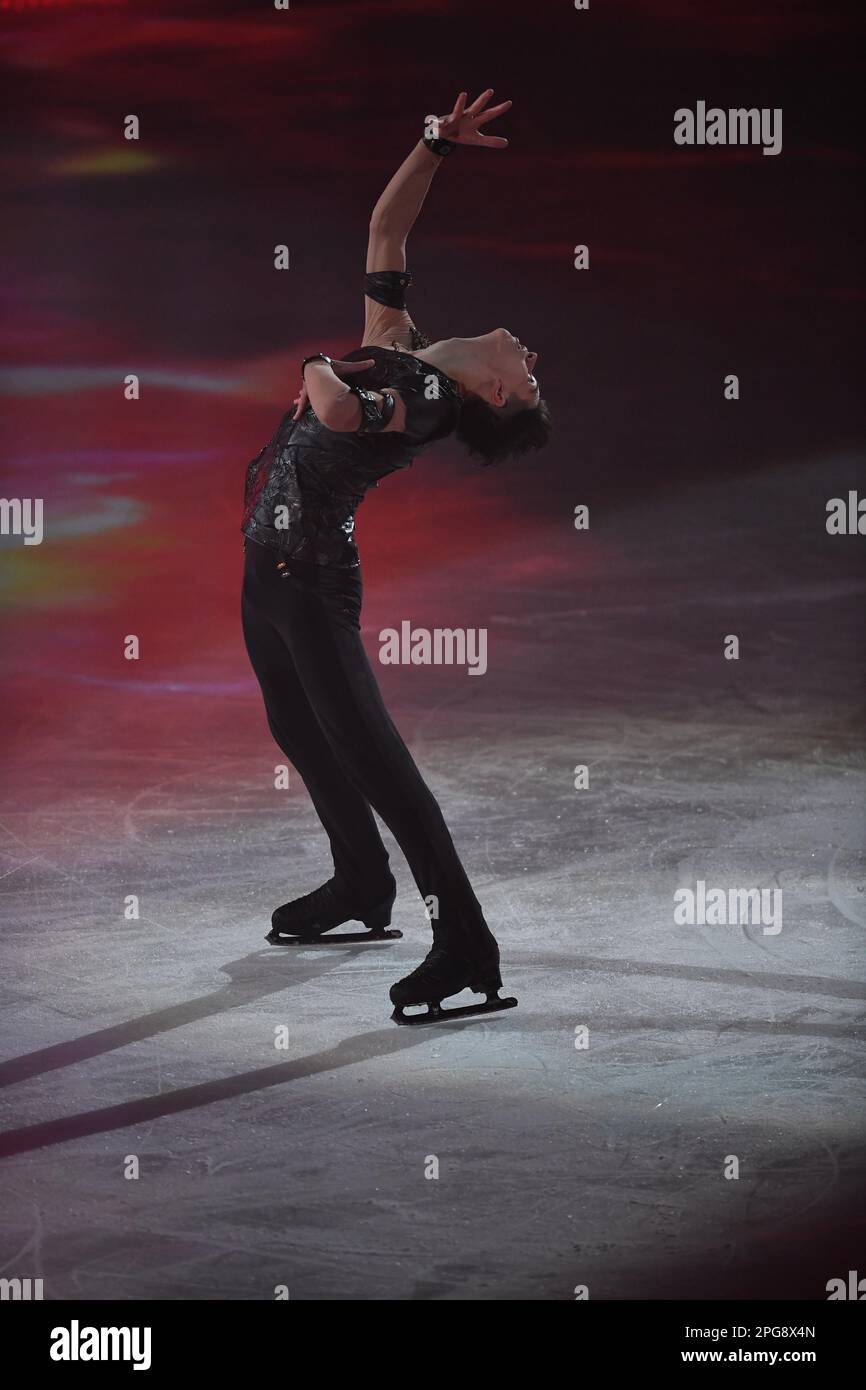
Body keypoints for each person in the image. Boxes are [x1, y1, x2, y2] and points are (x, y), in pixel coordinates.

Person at [240, 90, 552, 1023]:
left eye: (531, 377)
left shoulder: (423, 395)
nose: (531, 355)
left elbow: (335, 406)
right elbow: (387, 226)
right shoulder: (408, 352)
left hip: (312, 587)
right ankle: (361, 883)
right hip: (267, 575)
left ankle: (466, 944)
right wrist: (434, 144)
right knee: (299, 734)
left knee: (379, 765)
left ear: (496, 397)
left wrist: (309, 364)